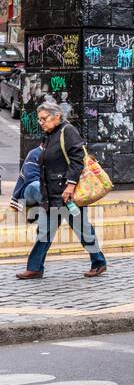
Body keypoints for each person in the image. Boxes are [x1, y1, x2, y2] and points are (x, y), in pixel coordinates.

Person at [15, 101, 108, 280]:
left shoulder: (68, 131)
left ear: (56, 116)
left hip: (67, 195)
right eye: (39, 119)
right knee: (45, 231)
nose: (41, 122)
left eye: (44, 118)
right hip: (51, 195)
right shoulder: (50, 134)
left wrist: (71, 185)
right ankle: (34, 268)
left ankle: (98, 262)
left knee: (82, 229)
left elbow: (78, 158)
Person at [7, 146, 42, 215]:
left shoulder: (61, 155)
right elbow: (31, 178)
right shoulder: (35, 154)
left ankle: (59, 211)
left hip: (53, 191)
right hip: (27, 193)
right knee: (36, 186)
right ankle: (53, 212)